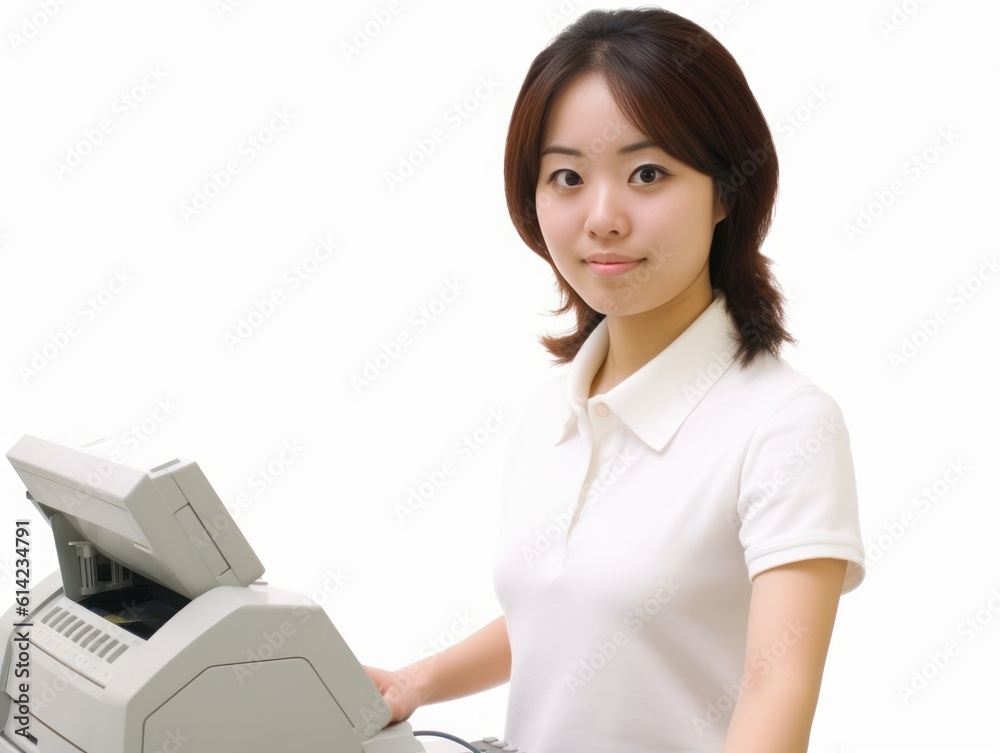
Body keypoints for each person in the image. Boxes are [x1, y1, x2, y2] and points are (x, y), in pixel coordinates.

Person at [364, 7, 866, 752]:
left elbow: (777, 686)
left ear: (726, 190)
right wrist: (418, 681)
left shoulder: (785, 424)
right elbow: (573, 616)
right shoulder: (552, 409)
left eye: (647, 174)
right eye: (567, 176)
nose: (602, 217)